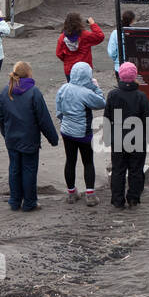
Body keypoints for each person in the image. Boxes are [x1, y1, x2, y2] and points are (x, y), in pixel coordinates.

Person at [0, 61, 59, 212]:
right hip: (29, 139)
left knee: (14, 169)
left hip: (12, 138)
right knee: (29, 170)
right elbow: (43, 118)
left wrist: (6, 134)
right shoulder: (34, 92)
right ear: (29, 74)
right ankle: (29, 202)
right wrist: (53, 138)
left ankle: (15, 200)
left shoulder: (6, 92)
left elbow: (1, 117)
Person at [55, 62, 107, 206]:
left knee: (70, 161)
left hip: (67, 131)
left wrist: (63, 121)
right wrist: (95, 86)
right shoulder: (86, 92)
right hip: (83, 133)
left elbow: (58, 108)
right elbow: (101, 102)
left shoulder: (63, 88)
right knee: (88, 161)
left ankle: (71, 193)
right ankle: (90, 195)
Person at [104, 62, 149, 208]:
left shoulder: (113, 95)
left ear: (120, 76)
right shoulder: (141, 96)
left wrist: (107, 137)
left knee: (118, 170)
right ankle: (133, 198)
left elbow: (107, 117)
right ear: (134, 76)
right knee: (136, 170)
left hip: (118, 138)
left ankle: (117, 200)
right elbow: (147, 119)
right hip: (137, 138)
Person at [55, 13, 104, 78]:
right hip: (85, 68)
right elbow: (100, 36)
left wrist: (67, 60)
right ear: (79, 22)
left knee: (72, 87)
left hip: (70, 69)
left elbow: (59, 54)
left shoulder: (62, 38)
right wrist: (92, 24)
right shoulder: (85, 35)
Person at [107, 10, 136, 75]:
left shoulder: (115, 33)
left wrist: (116, 60)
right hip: (133, 67)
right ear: (132, 20)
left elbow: (112, 52)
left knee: (121, 84)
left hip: (119, 67)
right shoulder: (135, 33)